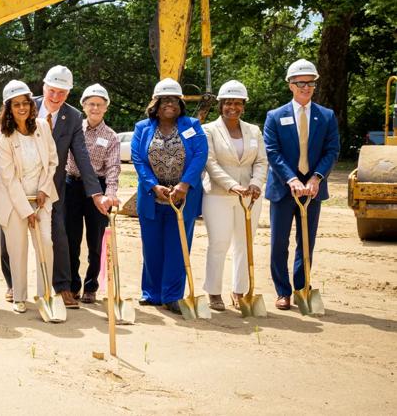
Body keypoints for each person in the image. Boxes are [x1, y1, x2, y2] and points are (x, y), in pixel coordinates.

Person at [1, 65, 107, 309]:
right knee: (10, 237)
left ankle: (62, 287)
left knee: (58, 237)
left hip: (51, 187)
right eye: (52, 91)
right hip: (17, 185)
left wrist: (96, 193)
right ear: (44, 87)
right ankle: (12, 284)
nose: (56, 97)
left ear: (69, 94)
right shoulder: (23, 105)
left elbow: (81, 156)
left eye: (63, 92)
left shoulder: (72, 118)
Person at [263, 59, 339, 311]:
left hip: (313, 189)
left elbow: (332, 150)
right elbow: (272, 152)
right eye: (301, 83)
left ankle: (301, 288)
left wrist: (316, 177)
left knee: (306, 242)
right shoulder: (275, 116)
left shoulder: (326, 116)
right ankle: (282, 291)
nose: (307, 87)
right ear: (291, 85)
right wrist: (292, 179)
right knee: (279, 243)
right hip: (284, 188)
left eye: (311, 83)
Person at [131, 78, 209, 314]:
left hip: (182, 197)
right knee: (152, 246)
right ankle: (152, 293)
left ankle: (172, 295)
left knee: (177, 246)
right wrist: (154, 186)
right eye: (164, 99)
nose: (169, 104)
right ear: (155, 103)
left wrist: (184, 185)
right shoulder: (142, 127)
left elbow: (200, 154)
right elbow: (138, 159)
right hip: (153, 196)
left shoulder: (192, 125)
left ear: (180, 103)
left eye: (174, 99)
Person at [0, 81, 59, 313]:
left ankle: (45, 294)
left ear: (31, 105)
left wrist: (43, 189)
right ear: (9, 109)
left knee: (46, 244)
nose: (22, 108)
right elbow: (9, 179)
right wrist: (27, 211)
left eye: (25, 103)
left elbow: (52, 161)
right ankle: (19, 296)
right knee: (17, 248)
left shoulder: (43, 127)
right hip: (14, 203)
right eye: (16, 104)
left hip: (41, 198)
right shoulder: (3, 140)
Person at [202, 80, 268, 311]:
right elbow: (209, 163)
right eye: (228, 102)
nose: (233, 107)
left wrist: (256, 183)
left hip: (249, 196)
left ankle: (239, 291)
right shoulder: (209, 130)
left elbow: (261, 161)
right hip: (219, 195)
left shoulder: (254, 130)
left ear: (244, 106)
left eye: (238, 103)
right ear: (220, 105)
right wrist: (232, 186)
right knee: (218, 243)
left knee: (245, 243)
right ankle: (214, 292)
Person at [64, 84, 121, 304]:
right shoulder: (74, 128)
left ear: (106, 108)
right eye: (91, 104)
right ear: (84, 106)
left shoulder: (111, 136)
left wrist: (111, 193)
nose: (95, 108)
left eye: (100, 104)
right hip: (72, 186)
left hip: (98, 188)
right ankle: (72, 285)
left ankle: (91, 286)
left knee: (95, 241)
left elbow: (113, 168)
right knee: (71, 238)